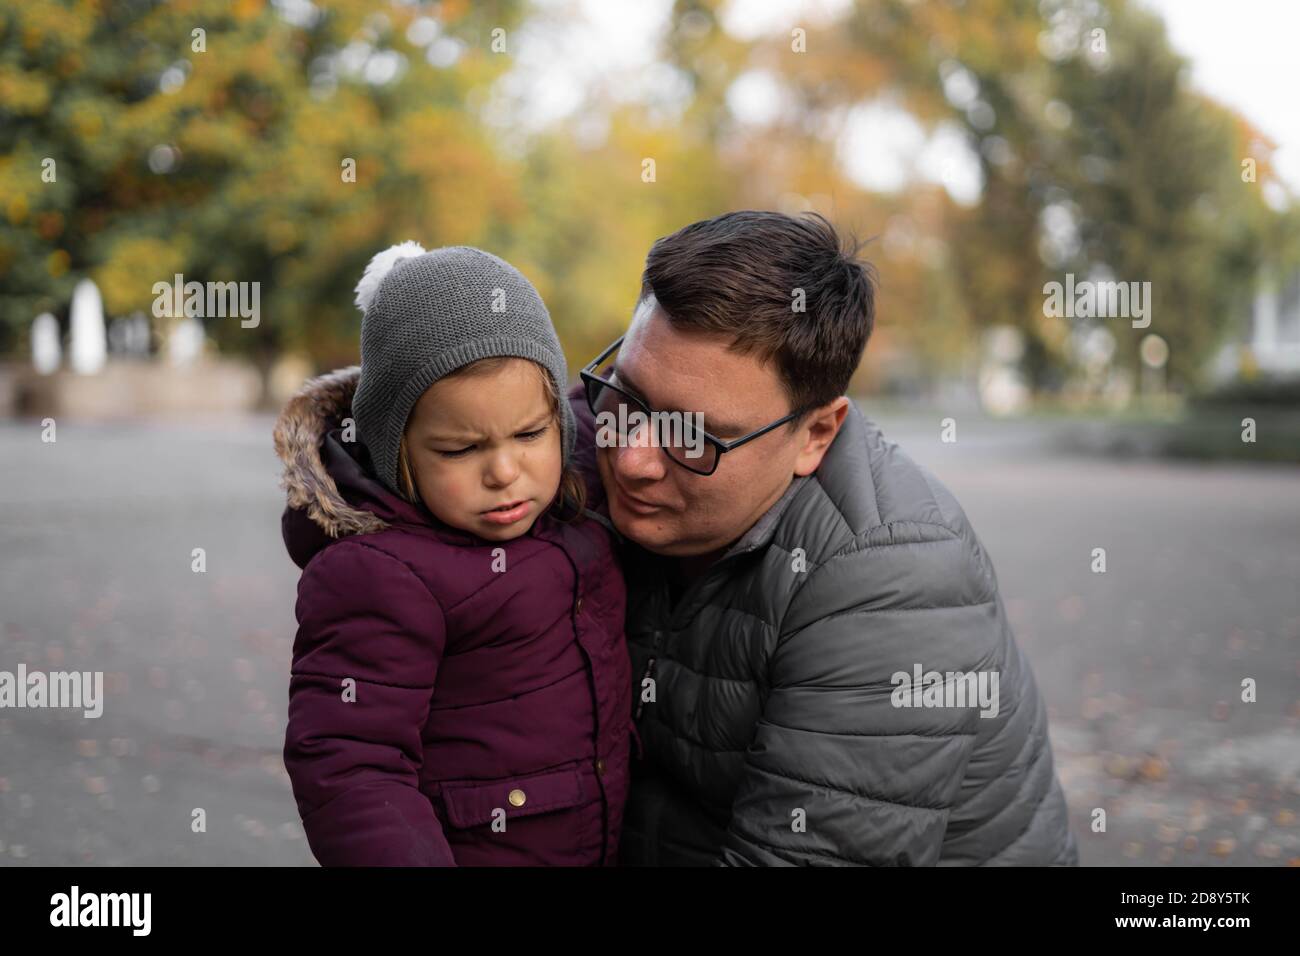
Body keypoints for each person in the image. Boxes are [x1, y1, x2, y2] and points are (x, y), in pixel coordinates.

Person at [571, 210, 1080, 866]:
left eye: (693, 436)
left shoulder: (895, 584)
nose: (633, 457)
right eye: (629, 396)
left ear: (815, 435)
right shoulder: (573, 446)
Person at [274, 242, 633, 866]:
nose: (504, 471)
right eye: (460, 450)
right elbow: (352, 767)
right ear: (397, 449)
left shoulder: (570, 495)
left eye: (528, 434)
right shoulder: (378, 575)